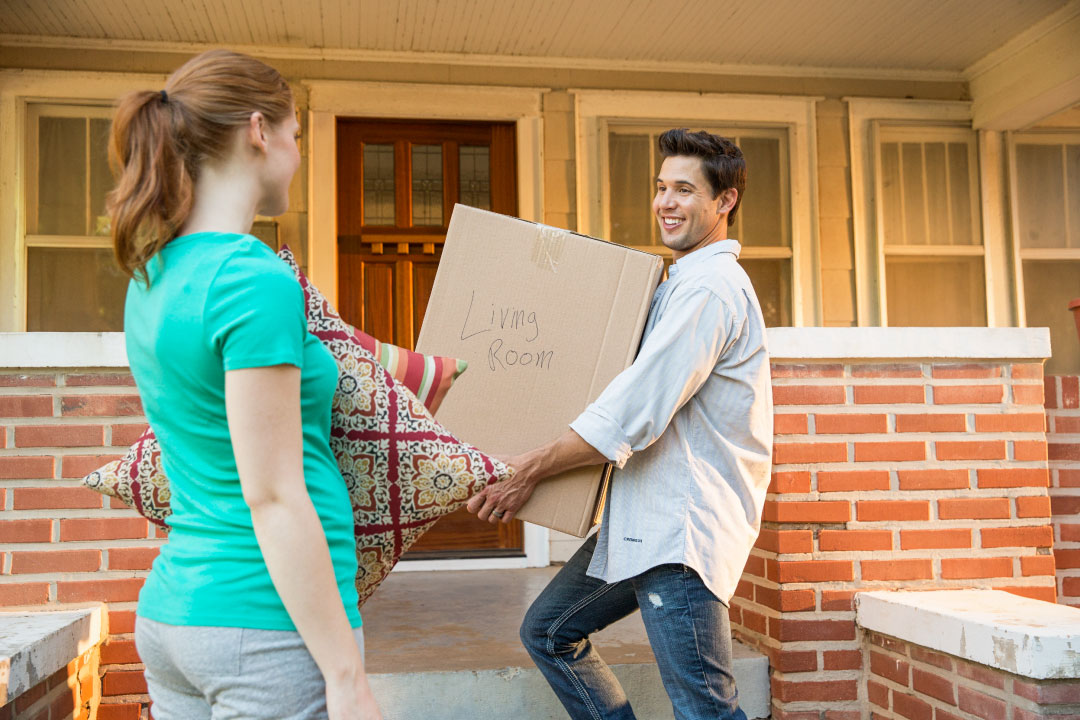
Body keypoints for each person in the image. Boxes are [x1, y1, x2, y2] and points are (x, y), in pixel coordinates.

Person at [110, 50, 382, 720]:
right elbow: (271, 493)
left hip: (179, 615)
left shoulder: (153, 277)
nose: (298, 152)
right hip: (263, 627)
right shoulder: (250, 279)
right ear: (258, 130)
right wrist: (346, 676)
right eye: (296, 135)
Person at [468, 128, 773, 719]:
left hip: (680, 534)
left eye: (685, 189)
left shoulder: (709, 289)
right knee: (551, 632)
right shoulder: (679, 281)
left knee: (706, 708)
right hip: (642, 528)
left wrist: (529, 468)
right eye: (662, 187)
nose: (666, 202)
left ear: (725, 200)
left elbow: (633, 411)